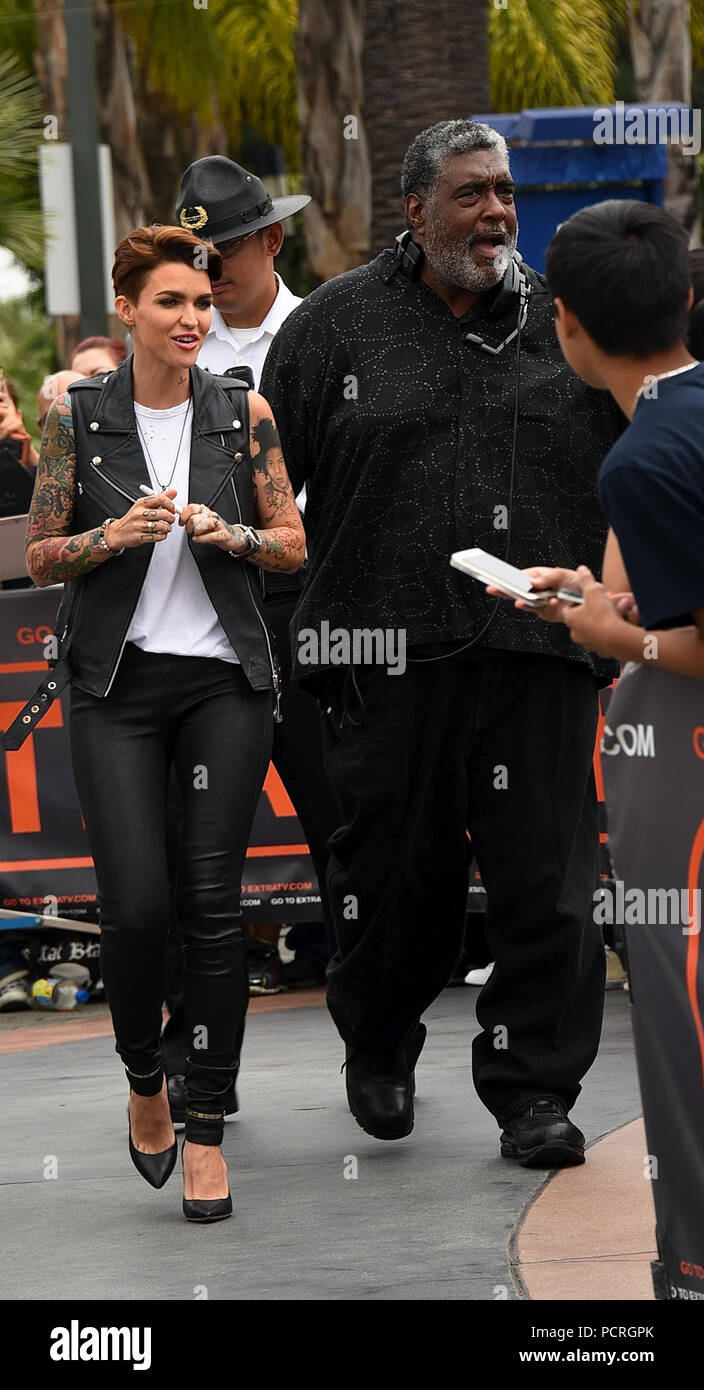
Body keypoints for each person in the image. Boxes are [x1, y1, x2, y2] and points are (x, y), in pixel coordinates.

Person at [261, 118, 624, 1166]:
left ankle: (532, 1093)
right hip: (381, 655)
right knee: (394, 881)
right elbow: (266, 494)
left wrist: (607, 604)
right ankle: (376, 1041)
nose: (495, 212)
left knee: (545, 889)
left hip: (537, 651)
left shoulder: (565, 319)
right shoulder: (333, 327)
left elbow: (629, 468)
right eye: (469, 194)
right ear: (415, 211)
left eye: (503, 192)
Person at [23, 224, 305, 1221]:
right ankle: (145, 1075)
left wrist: (226, 531)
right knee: (136, 907)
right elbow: (45, 552)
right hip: (115, 686)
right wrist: (112, 535)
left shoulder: (243, 410)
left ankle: (210, 1125)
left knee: (215, 907)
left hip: (223, 684)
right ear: (130, 313)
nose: (193, 318)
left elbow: (289, 544)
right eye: (171, 303)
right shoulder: (77, 418)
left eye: (202, 301)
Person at [495, 199, 704, 1290]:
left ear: (566, 324)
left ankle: (688, 1261)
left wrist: (604, 629)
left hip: (686, 766)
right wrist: (599, 597)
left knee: (677, 1008)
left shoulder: (644, 458)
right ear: (683, 294)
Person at [174, 156, 339, 999]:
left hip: (312, 605)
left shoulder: (328, 330)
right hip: (205, 609)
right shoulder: (170, 350)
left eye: (223, 253)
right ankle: (192, 1055)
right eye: (193, 258)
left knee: (341, 825)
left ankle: (374, 1037)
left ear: (272, 239)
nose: (207, 274)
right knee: (199, 840)